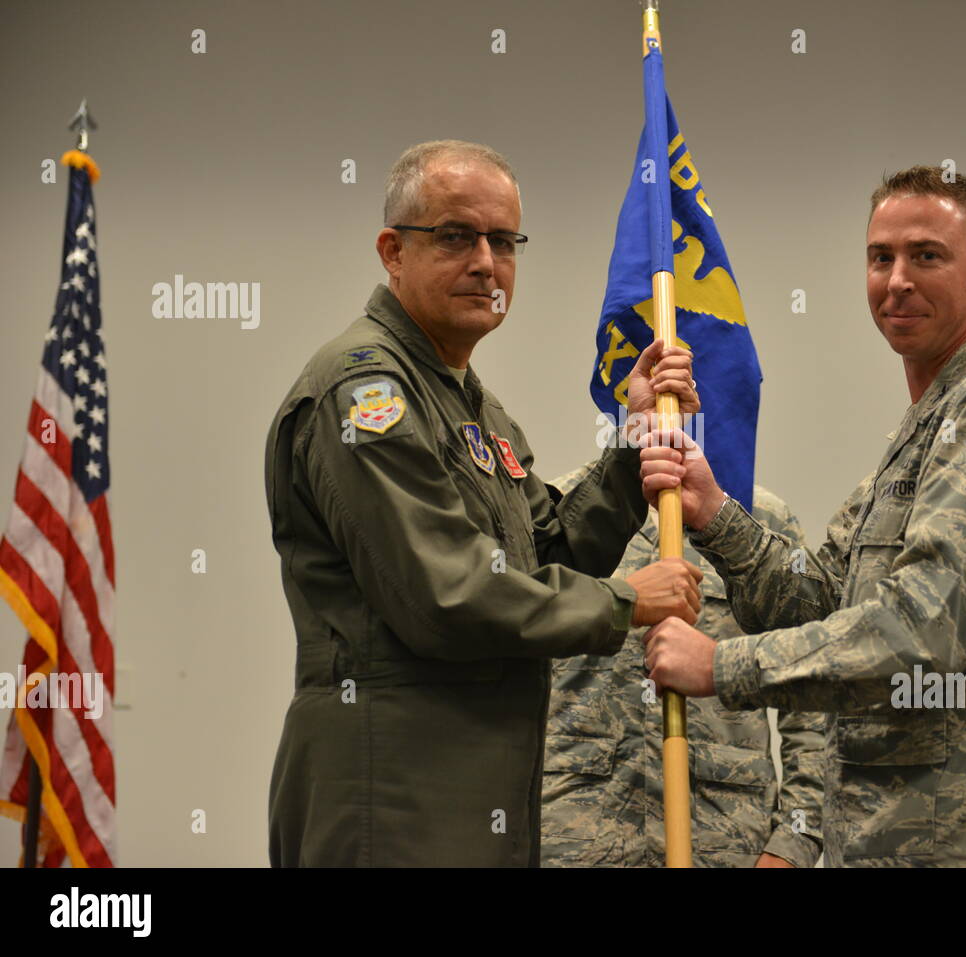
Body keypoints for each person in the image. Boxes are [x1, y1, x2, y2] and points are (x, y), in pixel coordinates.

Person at [638, 166, 966, 867]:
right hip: (898, 835)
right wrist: (712, 511)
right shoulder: (922, 433)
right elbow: (814, 599)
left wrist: (723, 665)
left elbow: (924, 626)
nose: (897, 280)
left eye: (926, 255)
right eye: (880, 257)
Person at [264, 139, 703, 867]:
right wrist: (626, 603)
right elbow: (448, 593)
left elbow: (546, 552)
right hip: (392, 789)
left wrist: (630, 446)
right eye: (456, 236)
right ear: (392, 251)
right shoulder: (365, 392)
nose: (485, 263)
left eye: (504, 241)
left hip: (473, 793)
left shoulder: (474, 409)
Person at [541, 465, 827, 868]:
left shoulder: (758, 522)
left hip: (725, 841)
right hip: (576, 840)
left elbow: (811, 693)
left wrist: (792, 847)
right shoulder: (562, 514)